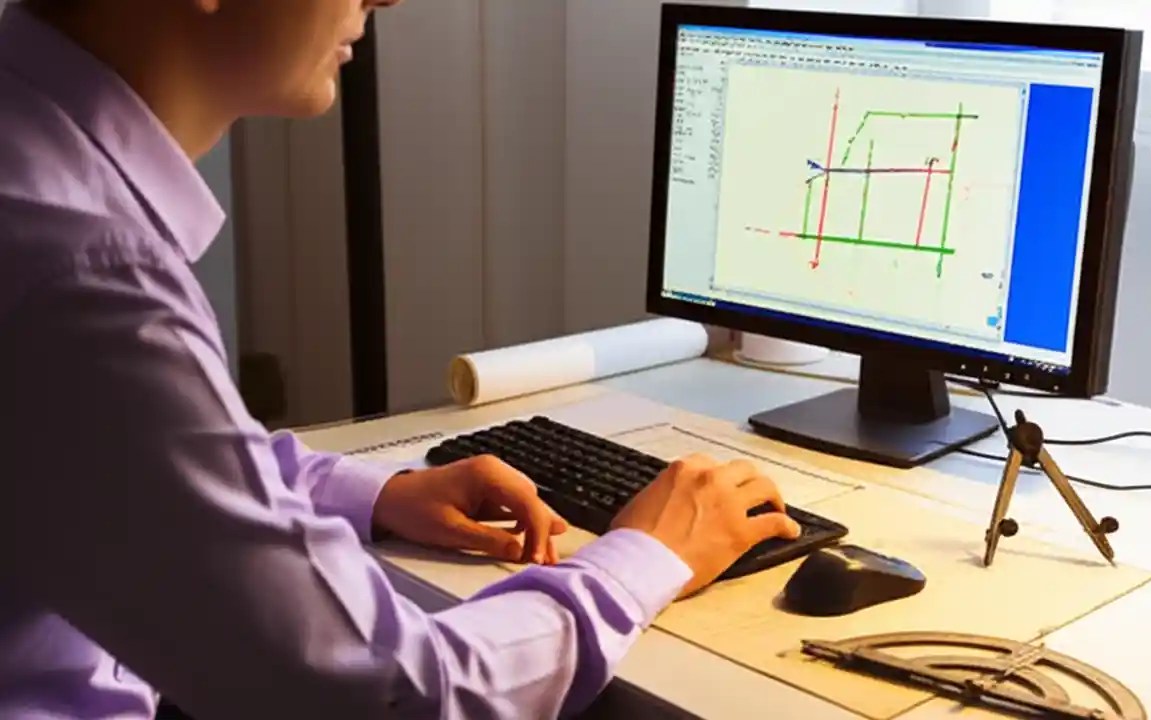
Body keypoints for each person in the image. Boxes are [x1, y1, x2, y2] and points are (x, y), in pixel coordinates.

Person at [0, 0, 804, 718]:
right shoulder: (83, 276)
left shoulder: (37, 181)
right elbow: (384, 694)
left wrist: (381, 494)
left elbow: (115, 464)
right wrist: (645, 556)